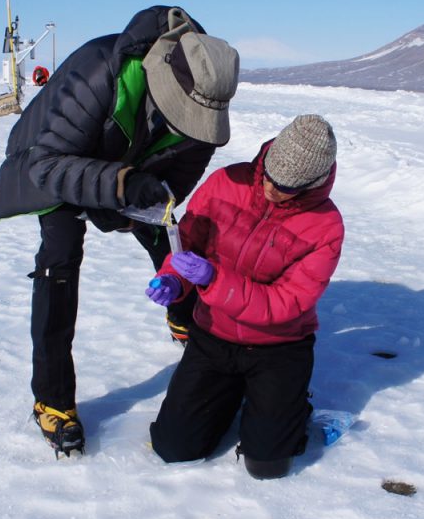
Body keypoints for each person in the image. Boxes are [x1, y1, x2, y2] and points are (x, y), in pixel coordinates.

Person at [0, 6, 240, 458]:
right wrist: (121, 184)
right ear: (163, 81)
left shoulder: (205, 84)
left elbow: (182, 174)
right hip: (52, 158)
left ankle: (184, 316)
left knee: (167, 232)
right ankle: (53, 399)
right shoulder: (99, 71)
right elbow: (47, 163)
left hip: (128, 162)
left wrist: (145, 200)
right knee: (59, 260)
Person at [145, 114, 343, 479]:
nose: (271, 188)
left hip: (278, 348)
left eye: (286, 186)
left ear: (312, 184)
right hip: (213, 335)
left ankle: (291, 403)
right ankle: (232, 393)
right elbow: (187, 241)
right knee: (173, 447)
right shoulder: (226, 182)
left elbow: (286, 304)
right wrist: (173, 279)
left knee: (267, 465)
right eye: (268, 174)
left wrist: (214, 279)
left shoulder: (326, 227)